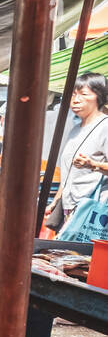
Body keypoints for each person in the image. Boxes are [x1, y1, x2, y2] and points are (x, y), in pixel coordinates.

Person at [44, 72, 108, 232]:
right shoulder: (75, 130)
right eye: (74, 94)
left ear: (99, 98)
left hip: (92, 212)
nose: (76, 100)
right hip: (70, 209)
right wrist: (56, 201)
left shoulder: (105, 127)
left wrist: (93, 164)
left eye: (83, 94)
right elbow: (69, 173)